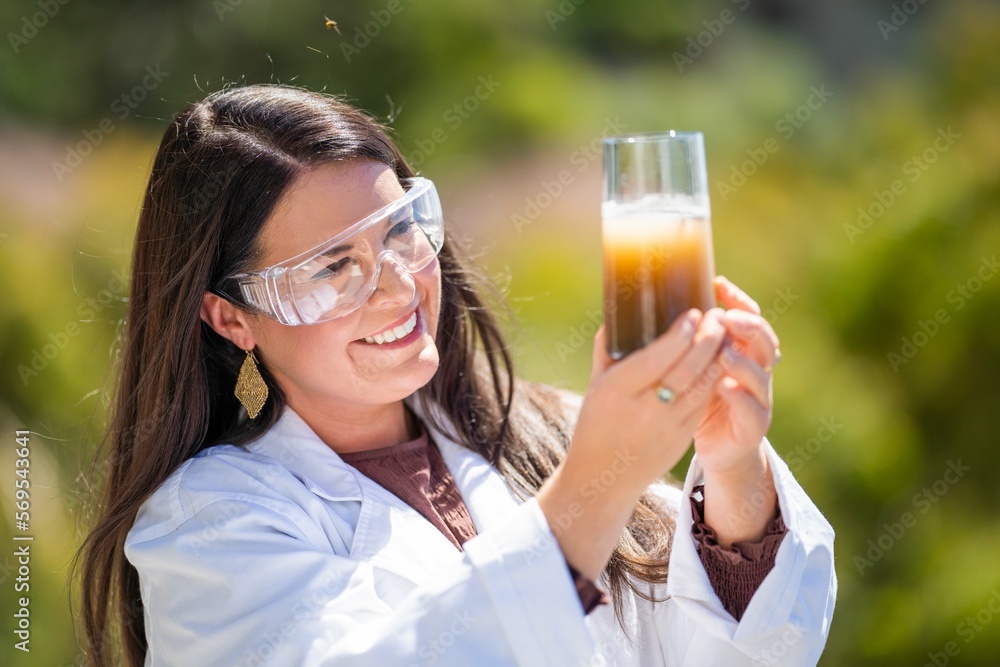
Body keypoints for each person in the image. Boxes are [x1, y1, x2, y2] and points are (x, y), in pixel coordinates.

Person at [76, 84, 836, 666]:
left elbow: (756, 652)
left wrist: (734, 467)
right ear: (231, 316)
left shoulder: (546, 430)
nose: (401, 287)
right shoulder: (207, 526)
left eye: (403, 231)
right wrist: (596, 485)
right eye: (334, 268)